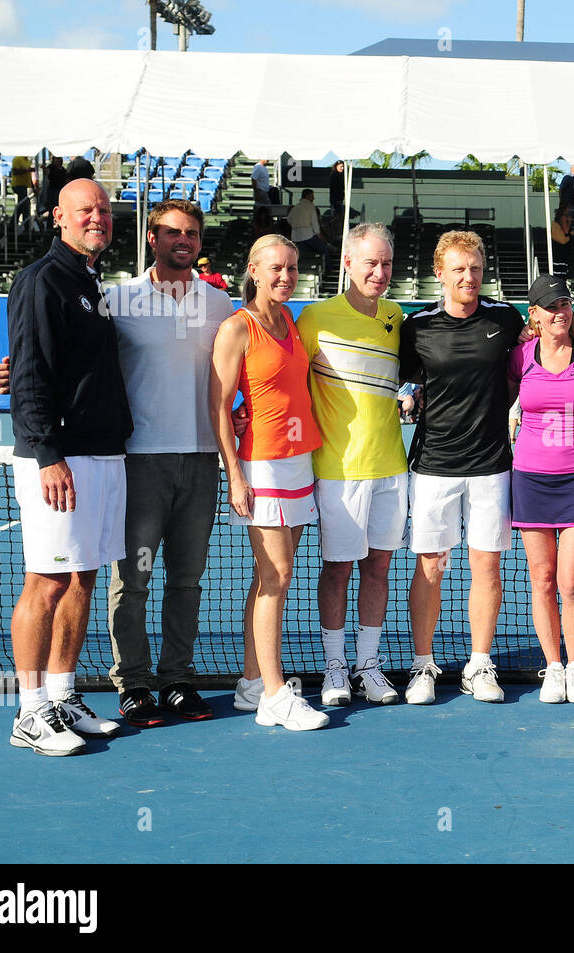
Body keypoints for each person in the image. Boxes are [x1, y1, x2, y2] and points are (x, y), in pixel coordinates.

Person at [0, 198, 234, 729]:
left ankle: (177, 677)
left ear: (199, 242)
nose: (183, 240)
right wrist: (17, 375)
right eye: (171, 231)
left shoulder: (221, 306)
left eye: (192, 233)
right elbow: (56, 356)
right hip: (135, 460)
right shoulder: (116, 299)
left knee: (186, 579)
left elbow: (243, 369)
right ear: (152, 238)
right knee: (129, 579)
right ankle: (134, 683)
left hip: (199, 460)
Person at [6, 179, 132, 755]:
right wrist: (48, 454)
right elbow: (30, 372)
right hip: (62, 459)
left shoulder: (90, 283)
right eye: (86, 210)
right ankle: (30, 712)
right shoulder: (42, 280)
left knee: (83, 577)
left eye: (104, 210)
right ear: (58, 216)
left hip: (104, 454)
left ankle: (61, 696)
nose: (97, 218)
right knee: (48, 581)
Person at [209, 234, 328, 731]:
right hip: (262, 465)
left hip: (300, 459)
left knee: (270, 576)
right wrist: (234, 473)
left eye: (293, 268)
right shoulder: (237, 328)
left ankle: (252, 683)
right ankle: (276, 698)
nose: (286, 276)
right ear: (254, 270)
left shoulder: (292, 323)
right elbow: (217, 405)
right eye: (276, 268)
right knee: (276, 577)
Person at [399, 230, 524, 703]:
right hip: (433, 466)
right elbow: (406, 385)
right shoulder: (418, 328)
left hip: (493, 465)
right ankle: (422, 665)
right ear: (439, 274)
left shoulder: (505, 319)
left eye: (474, 268)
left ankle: (479, 663)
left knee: (485, 566)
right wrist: (408, 399)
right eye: (457, 269)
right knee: (430, 565)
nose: (467, 277)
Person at [297, 223, 412, 708]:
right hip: (339, 471)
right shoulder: (316, 319)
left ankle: (368, 665)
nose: (379, 272)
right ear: (347, 263)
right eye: (370, 262)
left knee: (379, 568)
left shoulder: (397, 316)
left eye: (386, 263)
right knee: (338, 571)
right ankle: (335, 668)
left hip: (393, 466)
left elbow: (404, 380)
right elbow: (287, 383)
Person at [509, 275, 574, 703]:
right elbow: (504, 399)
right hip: (529, 478)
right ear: (533, 314)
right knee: (543, 578)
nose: (560, 312)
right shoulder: (520, 358)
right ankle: (552, 668)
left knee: (571, 582)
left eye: (565, 304)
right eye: (550, 306)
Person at [287, 188, 333, 269]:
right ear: (308, 196)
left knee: (302, 256)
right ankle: (328, 269)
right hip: (308, 235)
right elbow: (314, 222)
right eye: (312, 195)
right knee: (324, 249)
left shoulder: (296, 207)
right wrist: (318, 233)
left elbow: (289, 219)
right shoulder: (310, 206)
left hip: (296, 236)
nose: (313, 198)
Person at [10, 154, 37, 233]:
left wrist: (33, 188)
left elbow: (29, 176)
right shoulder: (17, 159)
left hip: (25, 186)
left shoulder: (28, 161)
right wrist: (26, 170)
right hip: (18, 185)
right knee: (25, 205)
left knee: (21, 206)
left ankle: (12, 225)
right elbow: (14, 172)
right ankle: (26, 227)